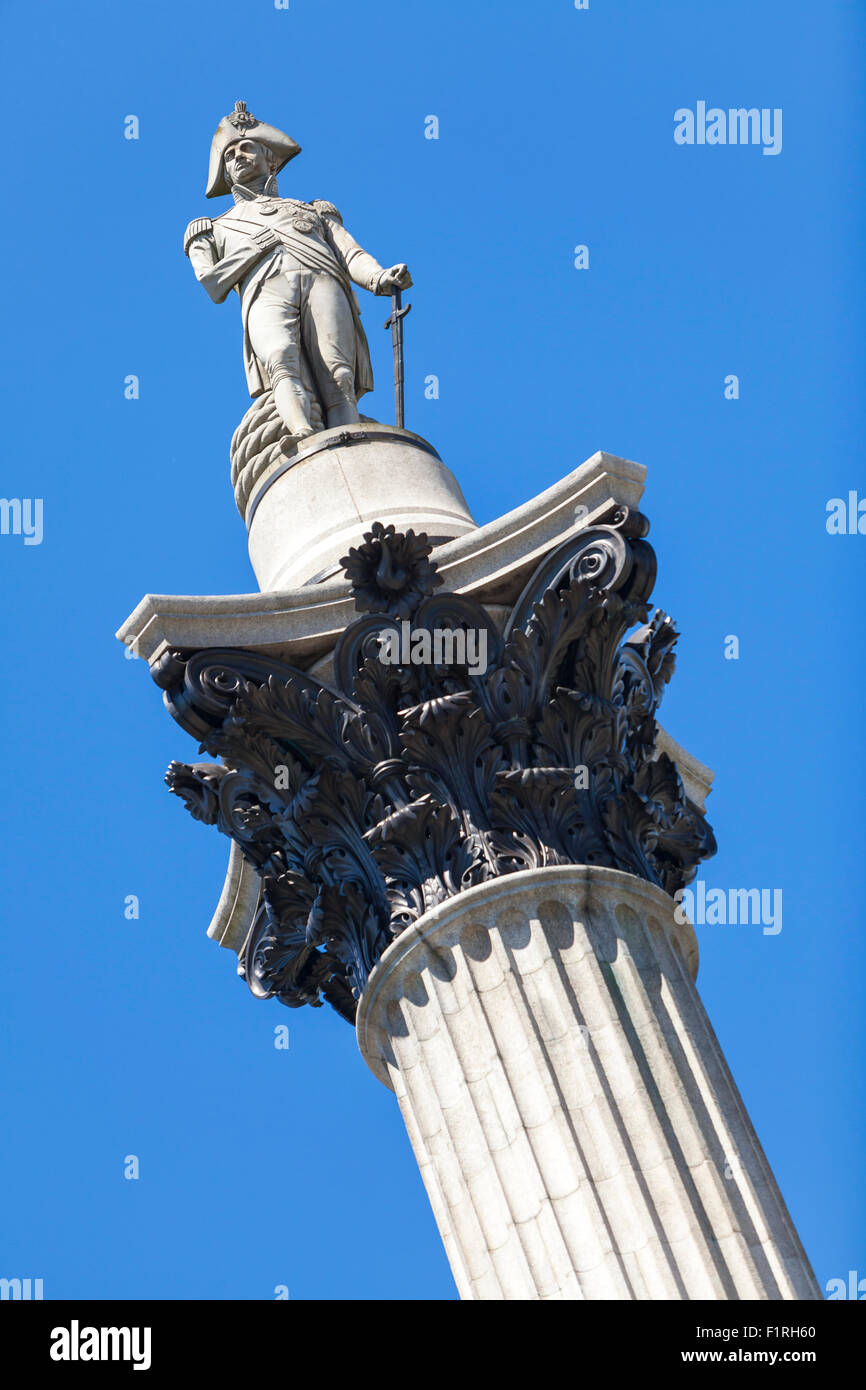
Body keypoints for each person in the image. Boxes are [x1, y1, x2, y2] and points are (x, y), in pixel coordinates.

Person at [184, 101, 412, 440]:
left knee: (339, 375)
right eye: (229, 156)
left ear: (270, 158)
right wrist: (254, 249)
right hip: (265, 291)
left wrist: (379, 277)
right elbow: (212, 284)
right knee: (280, 359)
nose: (238, 157)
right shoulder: (212, 228)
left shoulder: (314, 211)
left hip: (324, 281)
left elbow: (350, 254)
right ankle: (304, 437)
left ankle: (346, 444)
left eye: (247, 148)